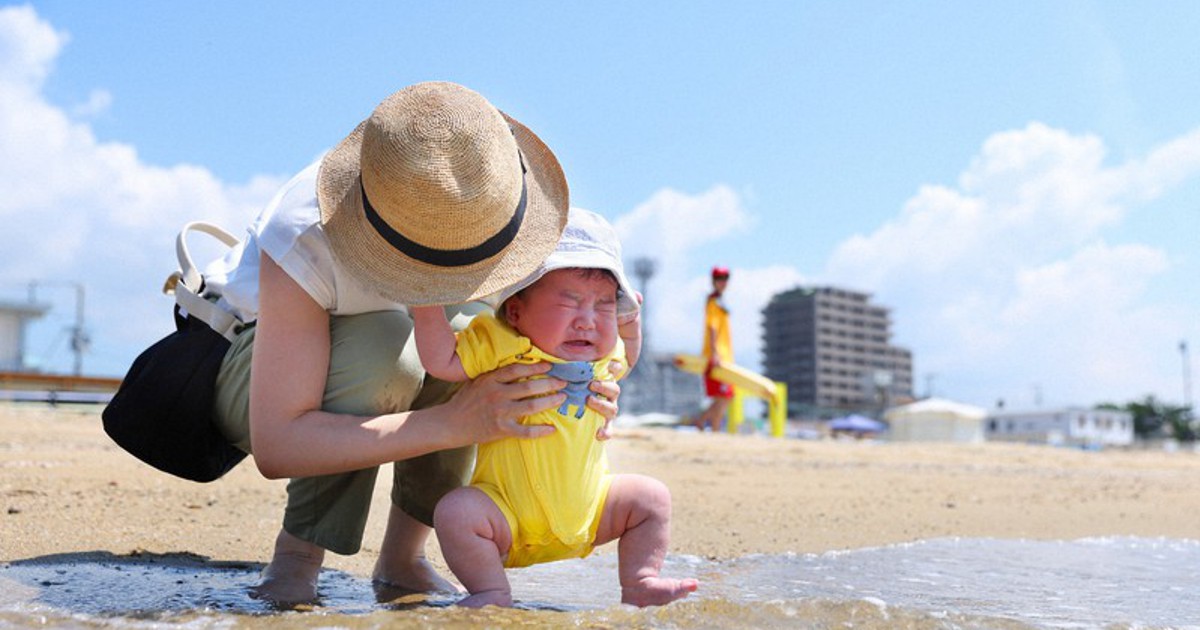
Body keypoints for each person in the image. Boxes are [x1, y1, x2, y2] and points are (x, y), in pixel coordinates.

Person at [203, 82, 633, 604]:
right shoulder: (306, 232)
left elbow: (554, 329)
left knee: (475, 339)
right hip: (243, 363)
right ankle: (297, 557)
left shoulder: (487, 198)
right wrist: (455, 422)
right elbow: (278, 444)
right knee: (382, 348)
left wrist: (588, 391)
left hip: (386, 355)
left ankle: (404, 557)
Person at [411, 209, 698, 608]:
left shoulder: (603, 358)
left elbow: (628, 358)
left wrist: (631, 323)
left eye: (603, 306)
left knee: (651, 497)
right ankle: (491, 591)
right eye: (570, 302)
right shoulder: (502, 344)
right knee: (456, 512)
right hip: (506, 516)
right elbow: (443, 361)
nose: (588, 322)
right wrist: (426, 307)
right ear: (515, 311)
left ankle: (640, 579)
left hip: (592, 511)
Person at [694, 266, 733, 432]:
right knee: (724, 396)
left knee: (723, 396)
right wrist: (715, 353)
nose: (723, 282)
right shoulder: (713, 301)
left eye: (725, 279)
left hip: (724, 355)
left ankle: (711, 428)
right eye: (719, 279)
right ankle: (703, 423)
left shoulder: (720, 301)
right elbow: (712, 327)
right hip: (717, 355)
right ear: (713, 281)